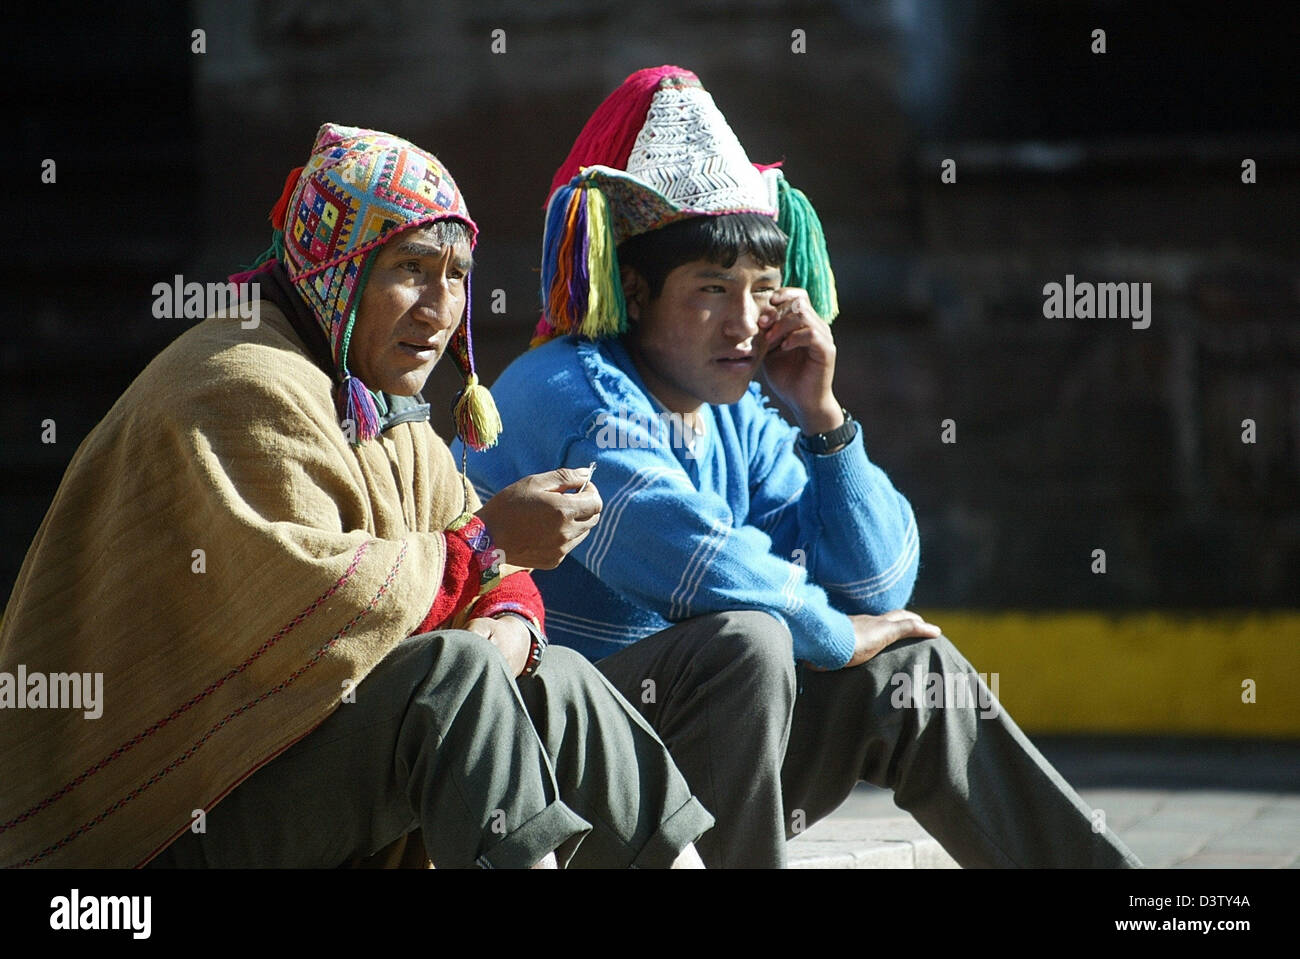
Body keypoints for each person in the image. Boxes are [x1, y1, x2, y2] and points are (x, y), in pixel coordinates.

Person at [458, 67, 1143, 868]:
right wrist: (827, 630)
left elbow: (880, 588)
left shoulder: (736, 414)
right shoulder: (568, 391)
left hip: (694, 770)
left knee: (913, 671)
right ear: (635, 289)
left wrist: (824, 421)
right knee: (750, 640)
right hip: (568, 792)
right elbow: (694, 557)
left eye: (761, 289)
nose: (745, 323)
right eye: (712, 289)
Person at [0, 123, 711, 869]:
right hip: (161, 836)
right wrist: (488, 545)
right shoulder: (236, 385)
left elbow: (481, 570)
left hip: (285, 787)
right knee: (456, 678)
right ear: (336, 270)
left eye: (458, 274)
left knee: (555, 677)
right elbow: (316, 615)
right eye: (411, 268)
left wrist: (506, 625)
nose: (442, 310)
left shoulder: (372, 399)